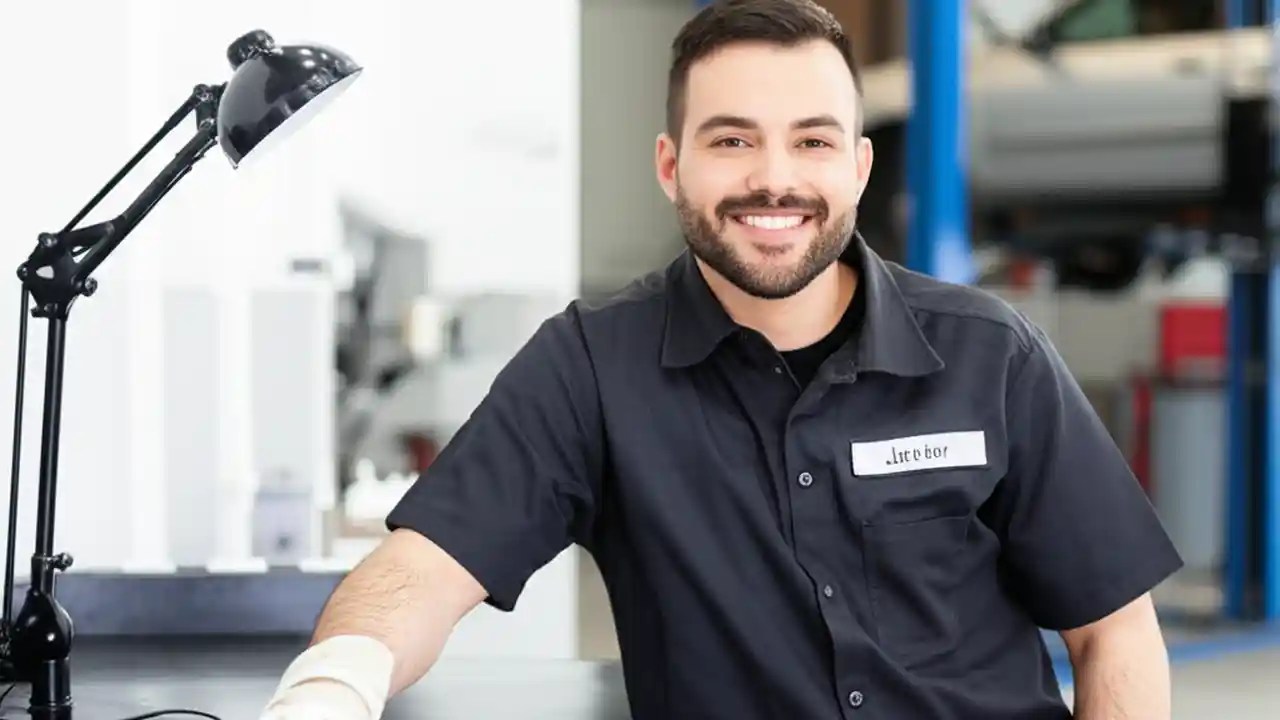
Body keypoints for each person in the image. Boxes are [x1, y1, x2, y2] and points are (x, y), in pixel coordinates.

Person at [260, 1, 1183, 718]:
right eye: (732, 139)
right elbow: (421, 569)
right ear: (671, 166)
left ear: (858, 167)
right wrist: (332, 687)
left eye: (812, 141)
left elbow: (1114, 633)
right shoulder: (591, 367)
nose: (773, 178)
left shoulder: (992, 356)